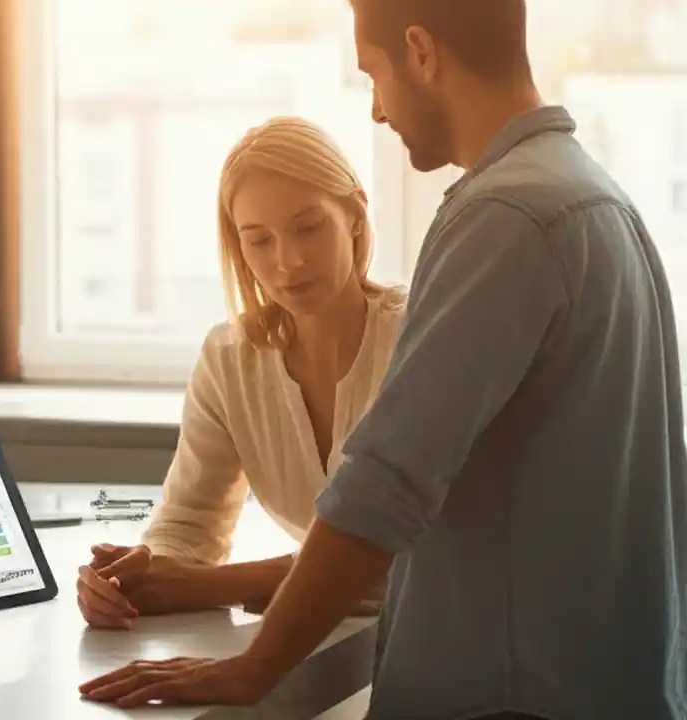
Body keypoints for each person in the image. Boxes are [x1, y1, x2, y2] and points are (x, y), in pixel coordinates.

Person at [80, 1, 687, 718]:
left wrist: (252, 671)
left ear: (421, 52)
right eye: (258, 239)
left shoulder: (504, 217)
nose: (375, 109)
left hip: (512, 698)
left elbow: (386, 485)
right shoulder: (591, 197)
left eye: (373, 73)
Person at [75, 117, 406, 630]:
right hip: (333, 637)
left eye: (309, 228)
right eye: (259, 240)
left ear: (355, 216)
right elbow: (190, 524)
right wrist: (133, 578)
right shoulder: (230, 360)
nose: (288, 262)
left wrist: (210, 585)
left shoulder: (418, 336)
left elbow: (403, 553)